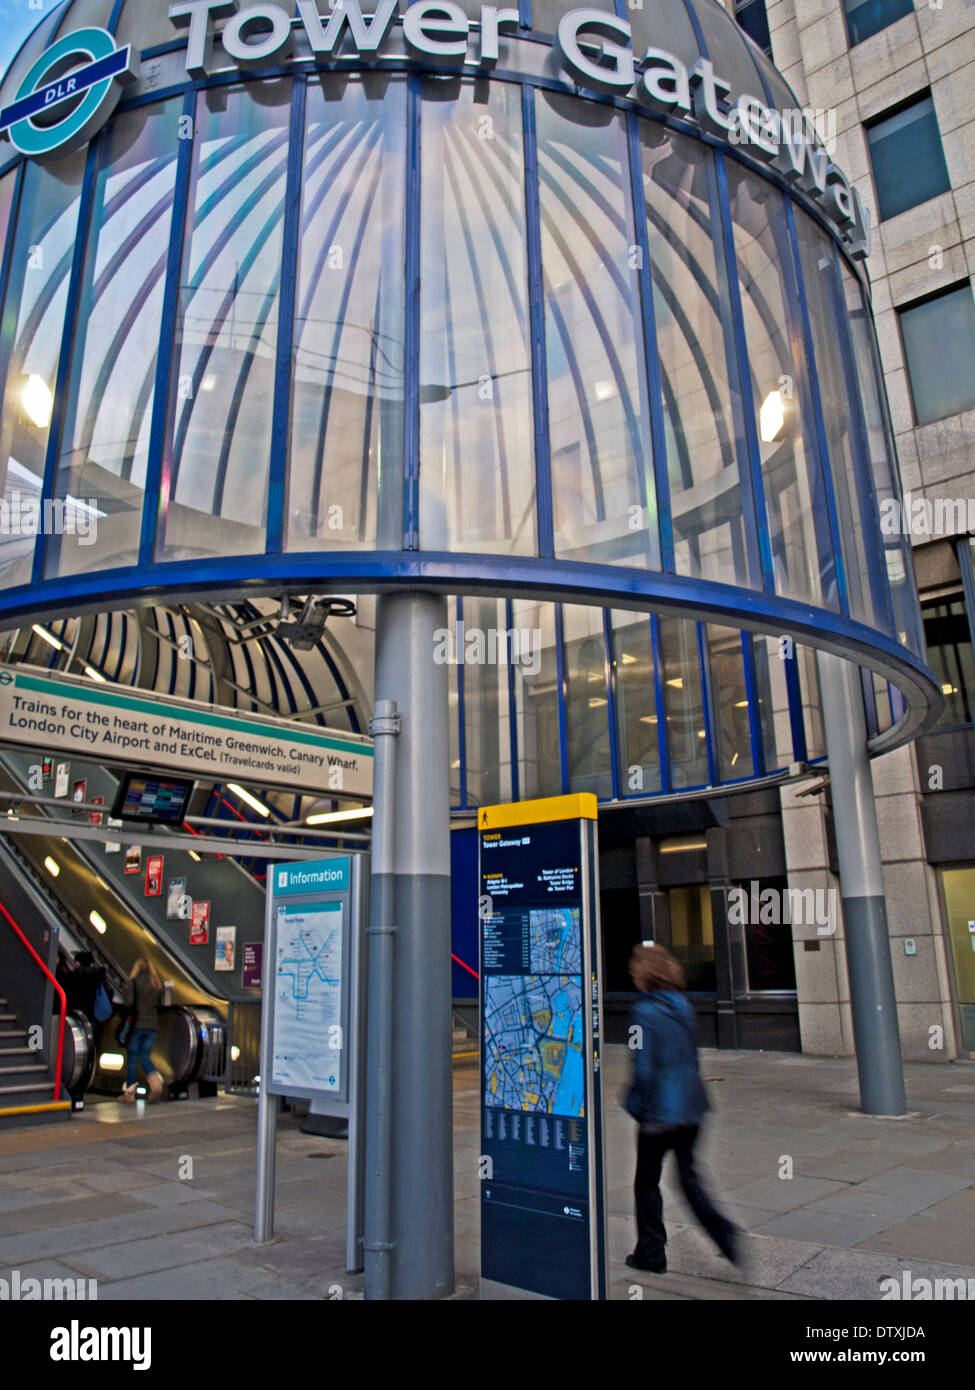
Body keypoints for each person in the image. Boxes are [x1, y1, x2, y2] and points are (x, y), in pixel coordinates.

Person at [624, 943, 740, 1274]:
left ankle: (651, 1253)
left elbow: (642, 1067)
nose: (632, 972)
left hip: (659, 1113)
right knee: (689, 1180)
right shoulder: (684, 1006)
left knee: (646, 1183)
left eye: (635, 966)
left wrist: (637, 1105)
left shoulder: (642, 1013)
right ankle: (726, 1236)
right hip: (691, 1107)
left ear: (645, 972)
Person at [122, 958, 164, 1103]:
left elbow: (128, 1003)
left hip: (136, 1025)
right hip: (152, 1026)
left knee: (132, 1059)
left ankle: (129, 1093)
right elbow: (160, 1004)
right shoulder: (156, 985)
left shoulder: (133, 983)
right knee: (145, 1056)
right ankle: (155, 1082)